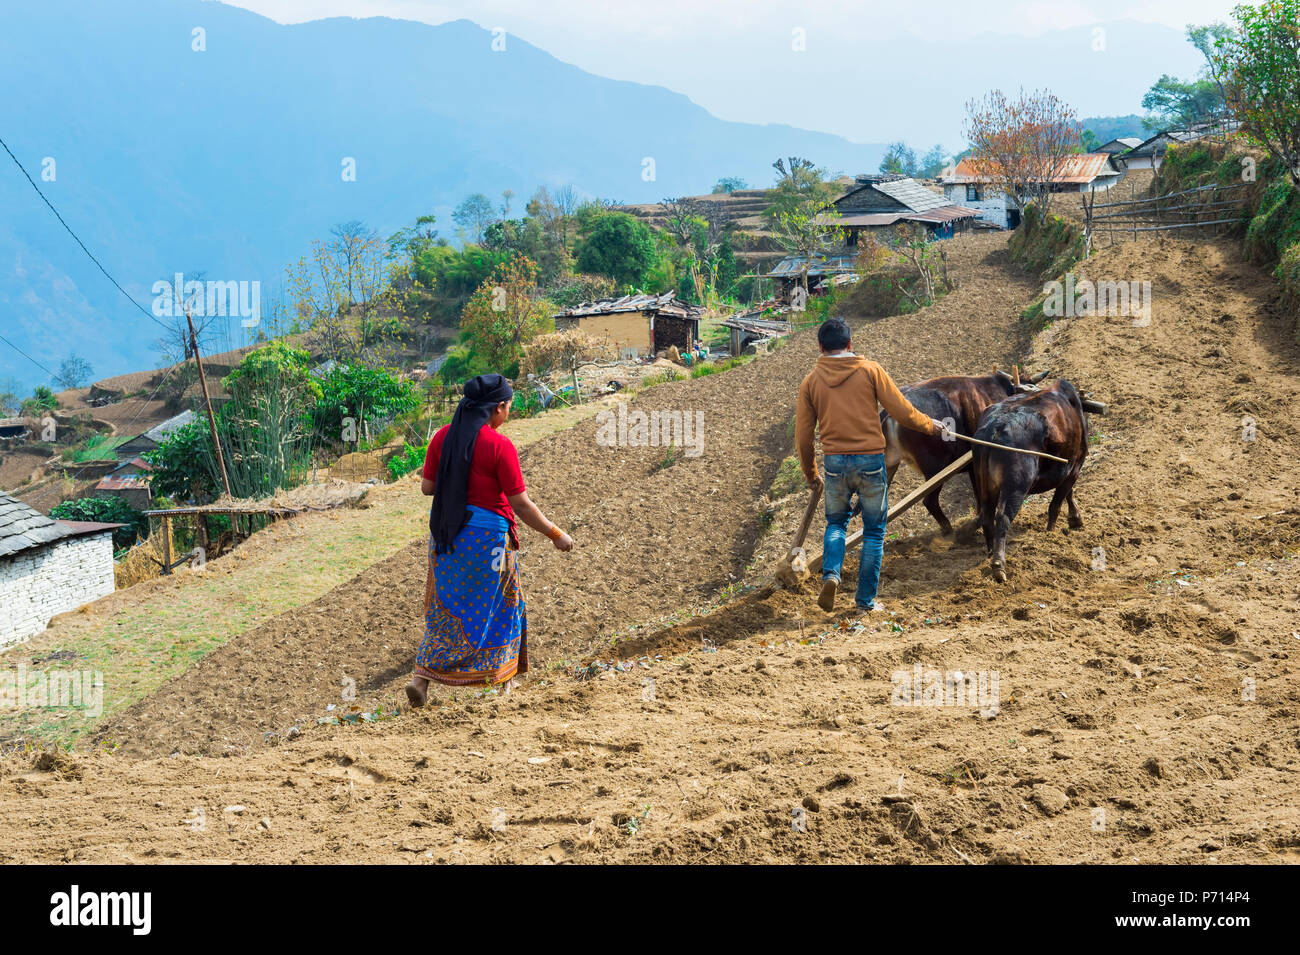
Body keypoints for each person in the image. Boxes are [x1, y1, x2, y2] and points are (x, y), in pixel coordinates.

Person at [406, 374, 573, 707]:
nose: (508, 413)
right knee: (504, 605)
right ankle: (502, 684)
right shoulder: (499, 446)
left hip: (447, 539)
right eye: (508, 407)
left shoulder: (442, 437)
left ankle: (421, 682)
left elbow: (427, 488)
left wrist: (456, 480)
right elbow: (521, 504)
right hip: (489, 544)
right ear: (498, 408)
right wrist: (555, 534)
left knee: (444, 610)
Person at [795, 317, 946, 614]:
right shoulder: (870, 371)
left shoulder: (811, 382)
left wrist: (811, 473)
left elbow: (803, 436)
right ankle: (864, 602)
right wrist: (931, 426)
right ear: (850, 344)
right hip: (871, 462)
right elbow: (902, 411)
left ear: (820, 347)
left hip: (835, 463)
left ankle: (832, 576)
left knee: (836, 524)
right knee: (874, 532)